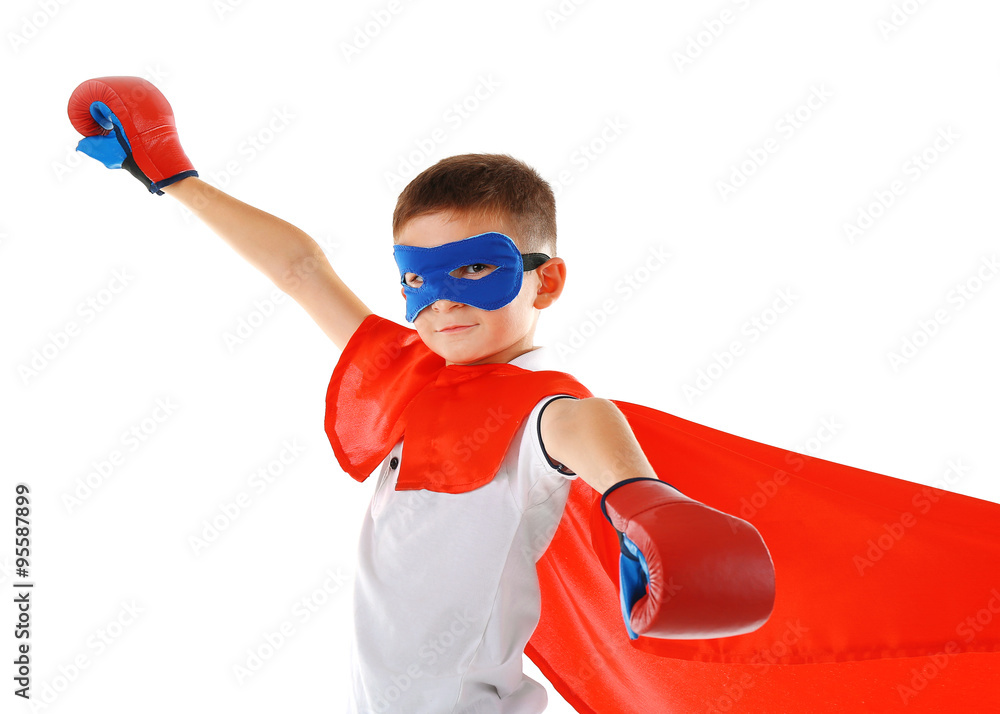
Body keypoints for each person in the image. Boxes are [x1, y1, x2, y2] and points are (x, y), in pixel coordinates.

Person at [68, 76, 1000, 713]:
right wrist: (175, 179)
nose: (440, 301)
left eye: (474, 269)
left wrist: (642, 501)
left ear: (543, 282)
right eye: (417, 280)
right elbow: (303, 268)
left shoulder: (542, 407)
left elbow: (590, 430)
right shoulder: (403, 378)